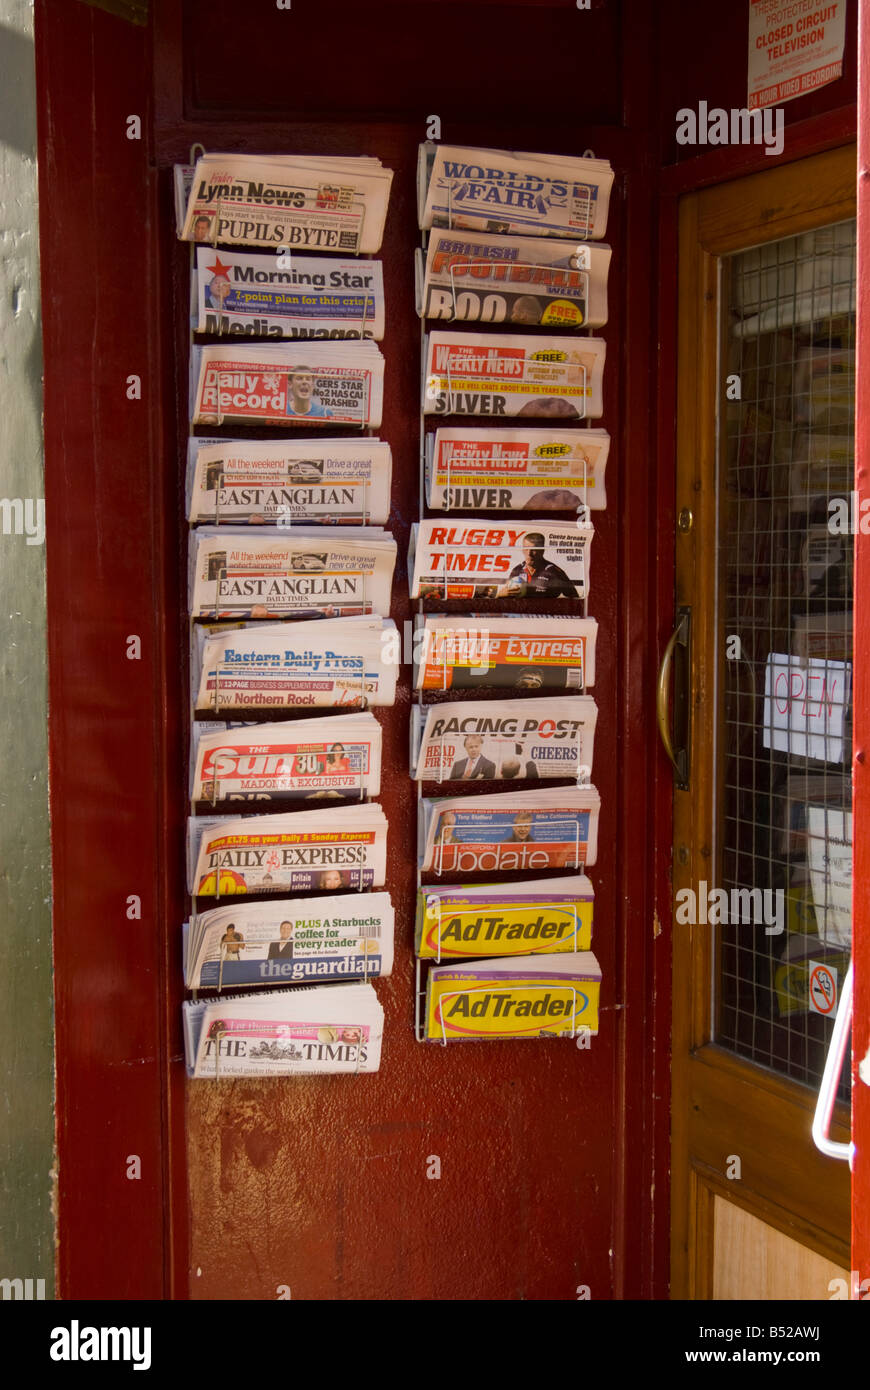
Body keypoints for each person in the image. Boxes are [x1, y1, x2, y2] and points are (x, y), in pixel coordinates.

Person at [496, 532, 579, 598]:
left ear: (542, 550)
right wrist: (500, 595)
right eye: (526, 548)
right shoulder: (517, 570)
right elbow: (505, 597)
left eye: (534, 549)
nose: (529, 553)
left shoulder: (554, 572)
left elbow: (575, 599)